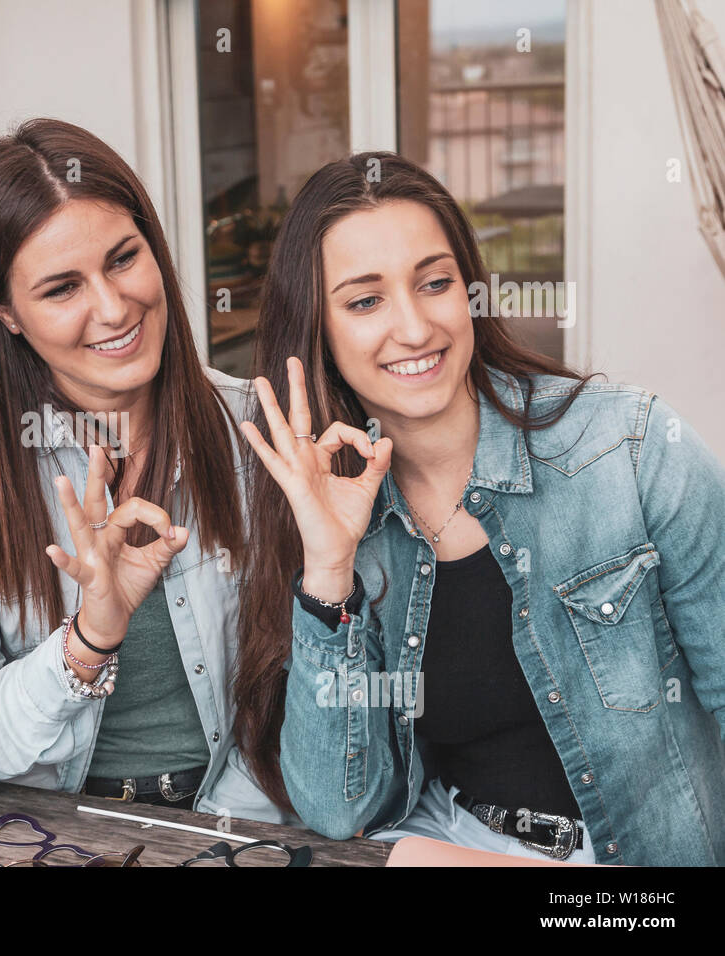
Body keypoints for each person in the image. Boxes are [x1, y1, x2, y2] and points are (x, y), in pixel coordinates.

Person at [237, 151, 725, 865]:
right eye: (365, 300)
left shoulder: (633, 449)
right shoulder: (342, 505)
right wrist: (329, 569)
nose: (413, 327)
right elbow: (340, 808)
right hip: (452, 844)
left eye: (434, 284)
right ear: (320, 331)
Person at [0, 118, 287, 821]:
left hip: (236, 823)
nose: (112, 308)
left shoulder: (253, 427)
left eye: (124, 258)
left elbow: (286, 701)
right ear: (2, 309)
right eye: (61, 288)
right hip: (55, 832)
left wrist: (204, 839)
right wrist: (87, 641)